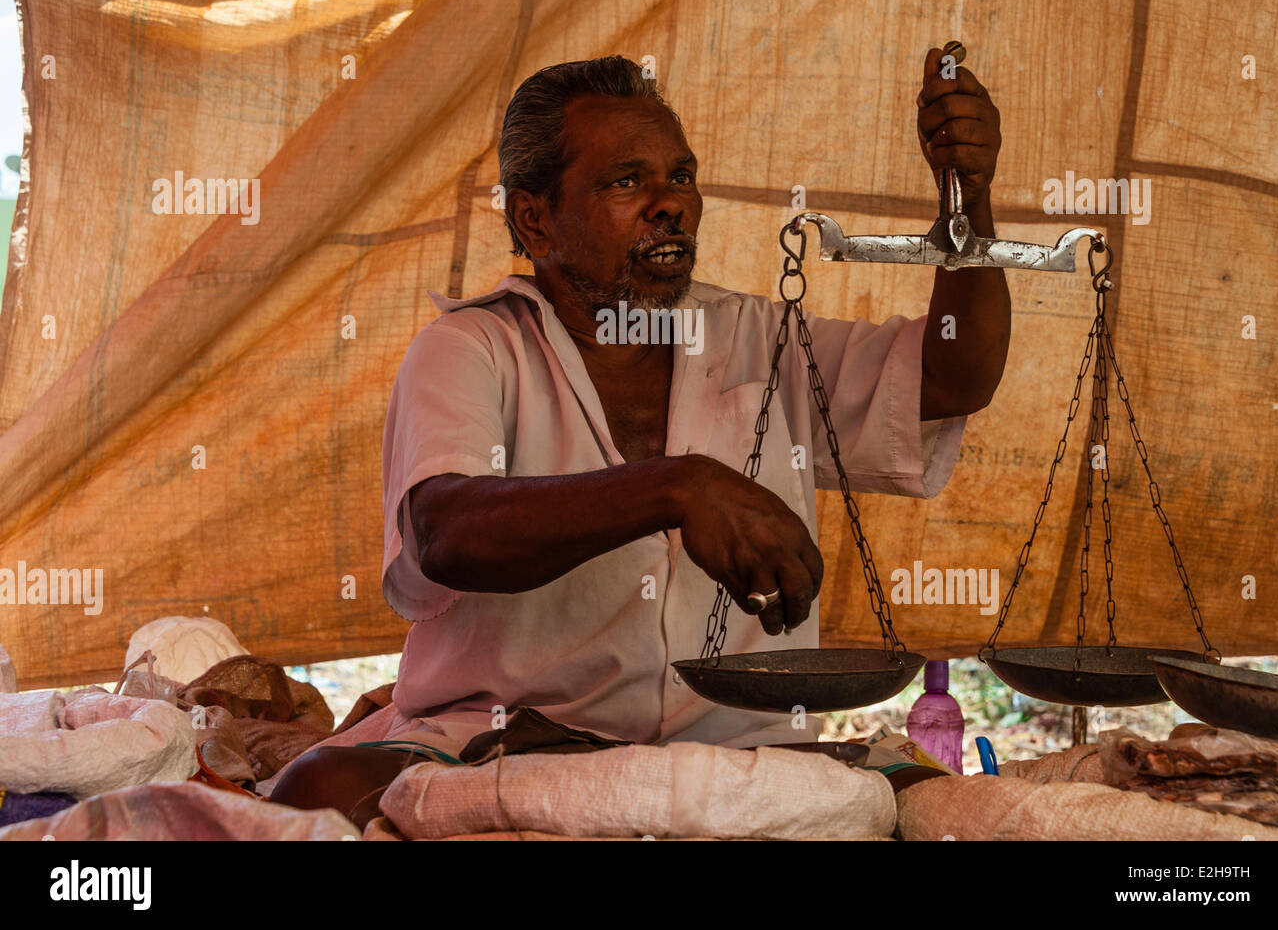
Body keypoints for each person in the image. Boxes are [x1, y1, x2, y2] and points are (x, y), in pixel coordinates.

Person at [271, 50, 1010, 826]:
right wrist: (677, 485)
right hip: (513, 743)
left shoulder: (758, 337)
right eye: (627, 181)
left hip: (738, 753)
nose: (670, 205)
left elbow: (953, 375)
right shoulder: (472, 348)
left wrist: (970, 198)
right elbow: (446, 530)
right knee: (314, 787)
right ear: (534, 217)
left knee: (956, 811)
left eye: (681, 178)